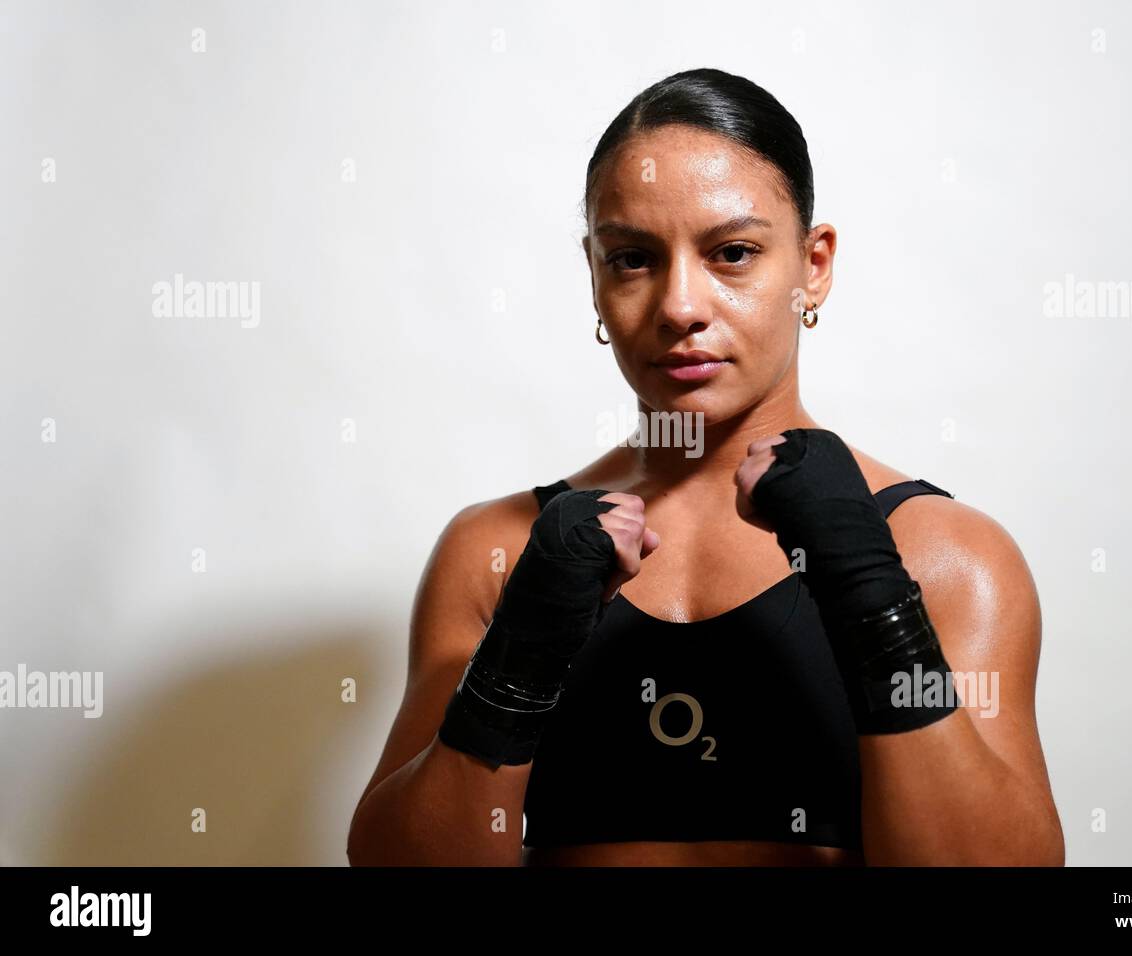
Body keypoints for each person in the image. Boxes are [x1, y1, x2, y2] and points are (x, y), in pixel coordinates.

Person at [347, 67, 1065, 867]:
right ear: (593, 274)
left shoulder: (948, 557)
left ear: (813, 265)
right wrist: (523, 652)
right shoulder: (498, 551)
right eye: (632, 259)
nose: (680, 306)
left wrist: (868, 589)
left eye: (732, 252)